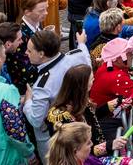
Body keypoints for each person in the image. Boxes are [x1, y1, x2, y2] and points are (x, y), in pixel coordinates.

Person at [24, 29, 91, 158]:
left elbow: (36, 120)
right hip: (79, 124)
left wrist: (28, 101)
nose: (26, 53)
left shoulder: (43, 85)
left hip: (54, 139)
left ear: (41, 54)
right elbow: (85, 57)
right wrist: (81, 43)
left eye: (30, 51)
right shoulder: (77, 56)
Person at [47, 65, 127, 159]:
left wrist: (116, 103)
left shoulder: (78, 100)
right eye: (91, 79)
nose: (94, 81)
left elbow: (92, 117)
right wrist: (110, 145)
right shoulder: (61, 117)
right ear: (82, 85)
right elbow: (81, 150)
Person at [90, 35, 133, 141]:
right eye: (128, 53)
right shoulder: (116, 76)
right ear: (118, 59)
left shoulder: (107, 67)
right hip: (108, 125)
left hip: (103, 118)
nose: (132, 55)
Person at [13, 0, 50, 95]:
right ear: (27, 12)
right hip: (27, 89)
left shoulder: (38, 24)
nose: (46, 13)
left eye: (46, 9)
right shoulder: (20, 35)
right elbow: (24, 69)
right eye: (41, 10)